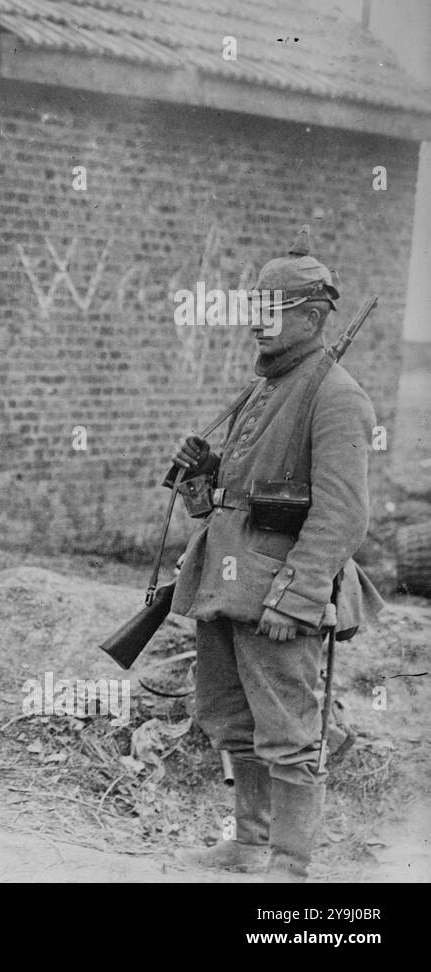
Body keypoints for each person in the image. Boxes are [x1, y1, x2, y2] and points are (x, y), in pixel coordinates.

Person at [168, 228, 384, 881]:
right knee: (233, 718)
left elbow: (343, 513)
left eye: (271, 312)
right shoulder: (261, 391)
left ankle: (291, 863)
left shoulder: (336, 396)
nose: (256, 326)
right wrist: (199, 477)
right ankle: (250, 844)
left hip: (277, 595)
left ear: (313, 317)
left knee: (289, 731)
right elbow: (225, 507)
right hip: (225, 587)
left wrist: (298, 597)